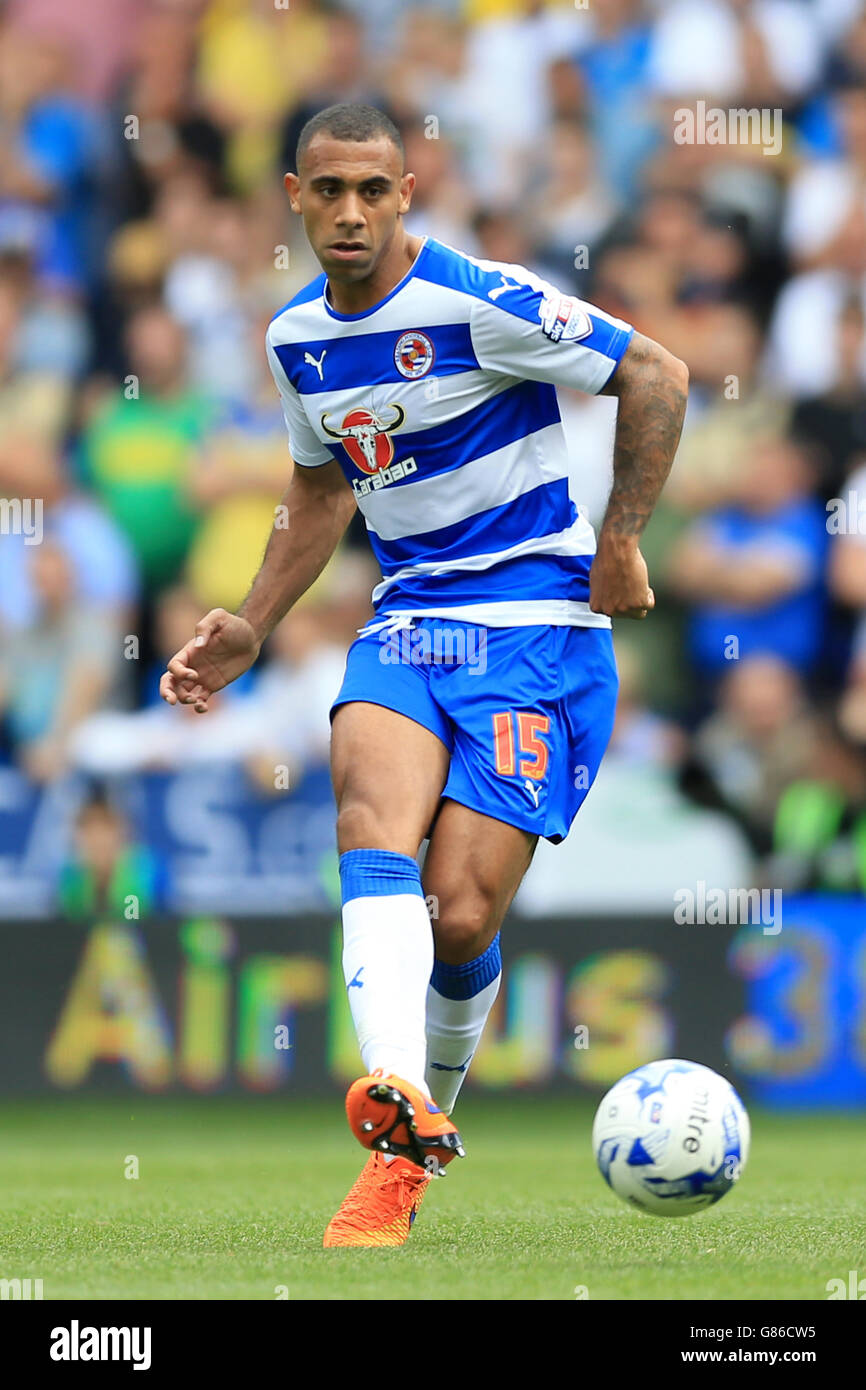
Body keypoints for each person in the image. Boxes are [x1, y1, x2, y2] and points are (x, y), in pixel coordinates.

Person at [160, 104, 688, 1247]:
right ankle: (393, 1094)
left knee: (457, 915)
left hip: (539, 630)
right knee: (367, 818)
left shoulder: (478, 299)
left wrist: (621, 534)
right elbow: (318, 491)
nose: (350, 211)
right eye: (328, 190)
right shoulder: (295, 337)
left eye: (374, 191)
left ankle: (413, 1134)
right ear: (294, 195)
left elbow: (655, 372)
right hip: (409, 624)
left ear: (406, 195)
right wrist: (252, 623)